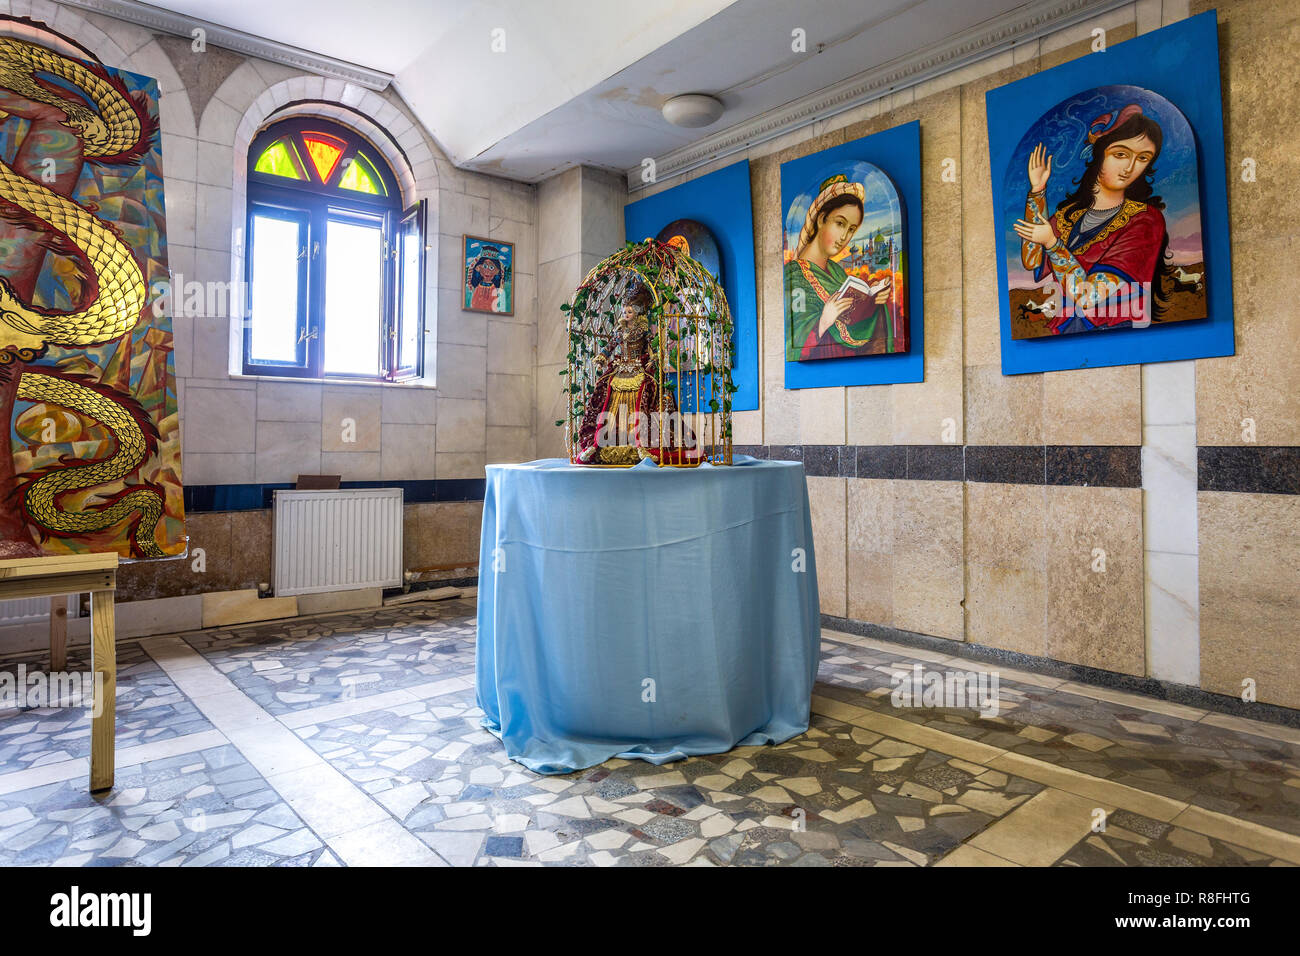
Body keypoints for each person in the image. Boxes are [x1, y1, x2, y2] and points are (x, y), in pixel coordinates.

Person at [1013, 103, 1176, 333]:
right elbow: (1032, 260)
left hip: (1115, 333)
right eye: (1120, 154)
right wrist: (1038, 191)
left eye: (1143, 158)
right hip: (1068, 331)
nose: (1129, 167)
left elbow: (1088, 297)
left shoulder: (1145, 220)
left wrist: (1052, 243)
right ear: (1100, 153)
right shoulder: (1069, 217)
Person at [573, 288, 698, 465]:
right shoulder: (619, 330)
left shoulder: (643, 331)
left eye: (629, 311)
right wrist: (602, 357)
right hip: (620, 369)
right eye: (624, 311)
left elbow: (653, 349)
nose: (626, 314)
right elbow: (610, 346)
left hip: (639, 368)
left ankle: (640, 442)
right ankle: (607, 441)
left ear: (637, 312)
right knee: (607, 397)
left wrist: (653, 360)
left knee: (645, 395)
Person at [784, 174, 892, 360]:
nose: (844, 237)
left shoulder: (836, 271)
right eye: (840, 223)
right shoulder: (795, 273)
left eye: (851, 229)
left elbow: (853, 318)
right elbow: (794, 340)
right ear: (821, 219)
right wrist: (824, 320)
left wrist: (874, 301)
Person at [466, 246, 506, 312]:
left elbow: (494, 307)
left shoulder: (494, 290)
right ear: (478, 268)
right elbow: (474, 304)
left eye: (491, 267)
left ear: (497, 271)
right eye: (484, 266)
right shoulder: (478, 287)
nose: (487, 271)